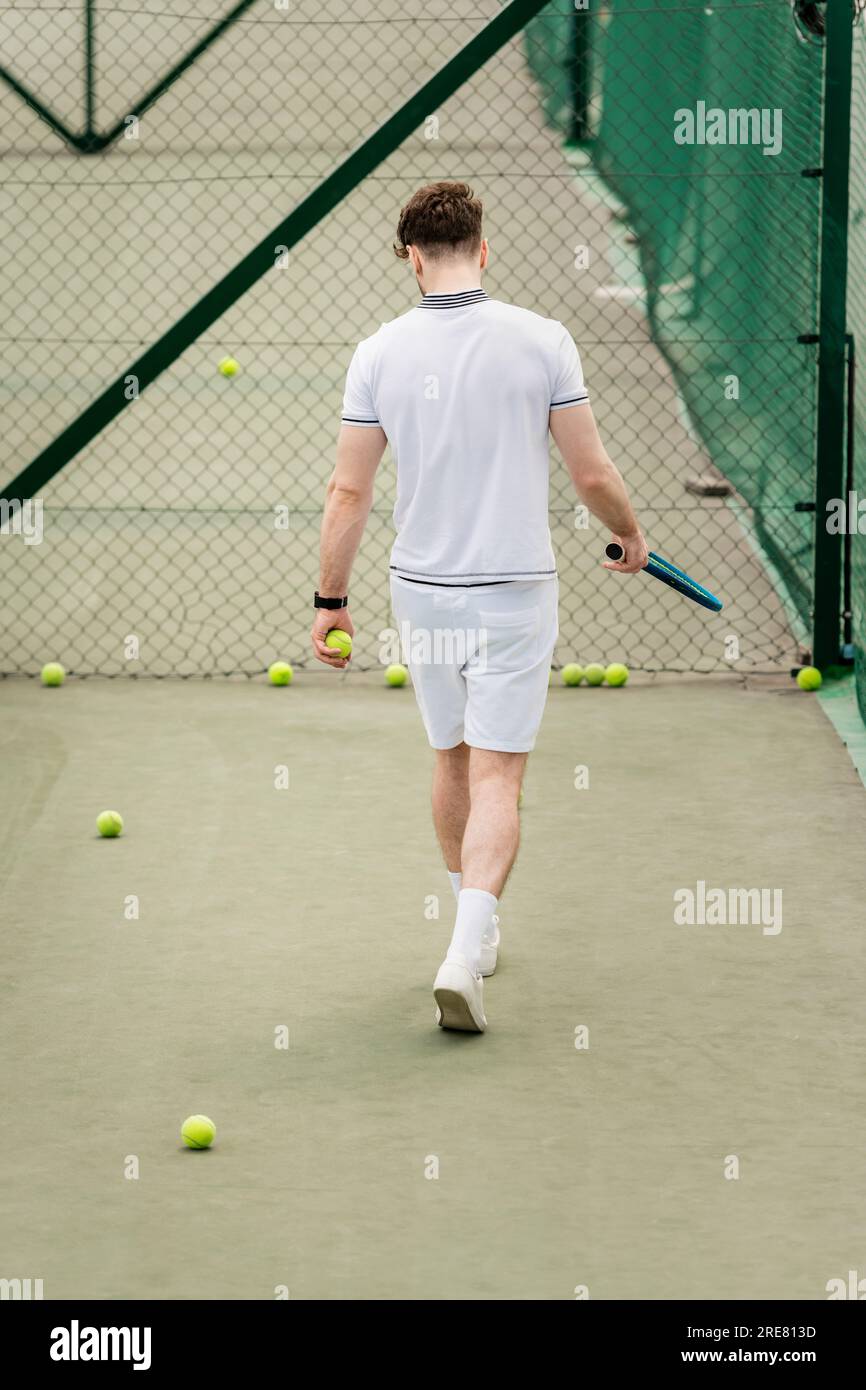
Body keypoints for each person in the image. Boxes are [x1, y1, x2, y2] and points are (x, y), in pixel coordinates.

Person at [312, 181, 647, 1033]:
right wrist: (630, 535)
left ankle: (471, 924)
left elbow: (348, 491)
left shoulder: (378, 352)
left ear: (412, 259)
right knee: (501, 771)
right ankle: (467, 948)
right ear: (484, 250)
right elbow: (593, 474)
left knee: (451, 758)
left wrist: (330, 602)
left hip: (421, 591)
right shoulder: (544, 341)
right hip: (514, 591)